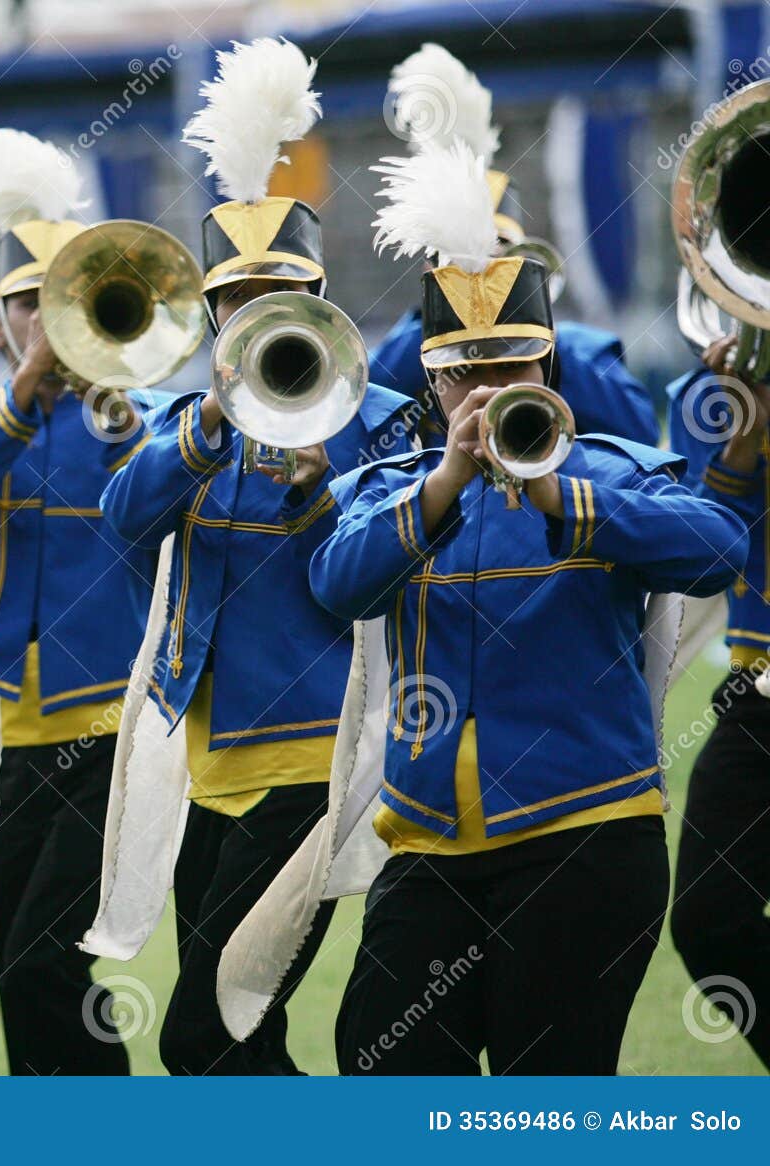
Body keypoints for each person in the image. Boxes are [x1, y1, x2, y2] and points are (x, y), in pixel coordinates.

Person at [319, 142, 746, 1075]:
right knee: (381, 1070)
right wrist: (445, 482)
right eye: (465, 374)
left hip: (585, 838)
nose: (489, 391)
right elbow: (335, 583)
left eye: (511, 367)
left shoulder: (613, 474)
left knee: (547, 1098)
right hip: (429, 845)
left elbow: (720, 550)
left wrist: (560, 500)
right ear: (432, 386)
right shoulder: (395, 489)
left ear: (548, 369)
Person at [102, 37, 414, 1075]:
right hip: (211, 771)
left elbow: (371, 580)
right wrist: (201, 431)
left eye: (274, 293)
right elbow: (124, 522)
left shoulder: (376, 421)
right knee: (238, 1036)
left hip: (312, 766)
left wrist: (319, 487)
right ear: (211, 312)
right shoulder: (179, 423)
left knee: (209, 1026)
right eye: (234, 298)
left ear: (316, 297)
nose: (252, 315)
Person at [0, 127, 158, 1075]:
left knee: (47, 952)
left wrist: (105, 393)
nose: (44, 323)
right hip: (10, 734)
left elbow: (159, 495)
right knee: (18, 963)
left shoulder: (131, 424)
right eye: (24, 307)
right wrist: (23, 395)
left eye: (58, 303)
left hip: (109, 727)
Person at [369, 43, 657, 446]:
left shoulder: (583, 348)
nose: (488, 261)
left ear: (527, 256)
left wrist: (540, 331)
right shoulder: (402, 350)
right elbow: (361, 435)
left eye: (501, 246)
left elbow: (641, 431)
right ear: (428, 270)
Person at [665, 336, 770, 1067]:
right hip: (757, 685)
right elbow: (699, 555)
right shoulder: (705, 399)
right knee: (709, 920)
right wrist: (745, 435)